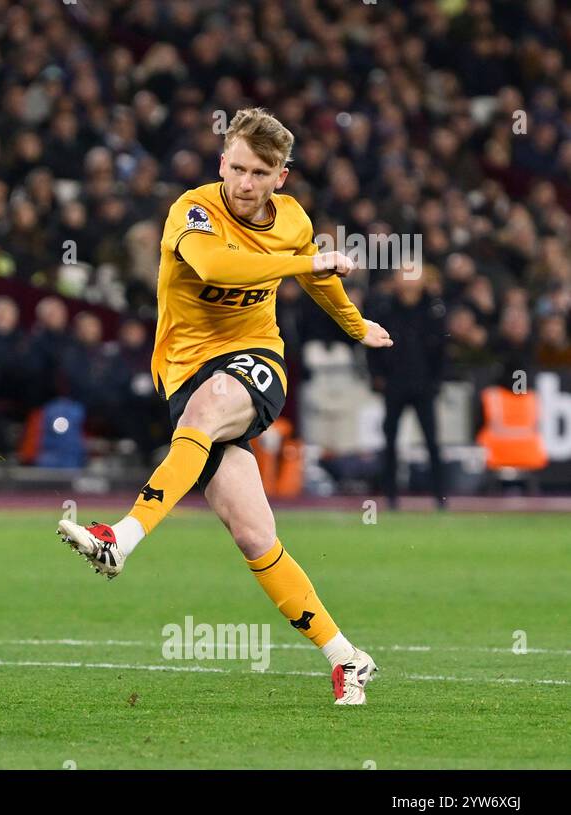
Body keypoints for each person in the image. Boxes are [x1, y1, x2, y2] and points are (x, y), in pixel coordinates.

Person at [57, 109, 394, 705]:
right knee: (253, 533)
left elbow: (320, 284)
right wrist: (308, 260)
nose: (244, 182)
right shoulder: (192, 211)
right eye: (236, 168)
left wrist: (354, 325)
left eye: (259, 172)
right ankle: (347, 657)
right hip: (183, 373)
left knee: (209, 409)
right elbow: (218, 266)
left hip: (253, 361)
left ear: (280, 178)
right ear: (221, 164)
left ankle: (120, 538)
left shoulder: (291, 220)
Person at [367, 272, 448, 509]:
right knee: (390, 441)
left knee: (432, 441)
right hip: (395, 384)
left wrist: (436, 381)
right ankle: (390, 495)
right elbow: (372, 345)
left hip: (423, 384)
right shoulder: (385, 308)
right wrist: (377, 376)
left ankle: (439, 495)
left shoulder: (433, 310)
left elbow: (442, 349)